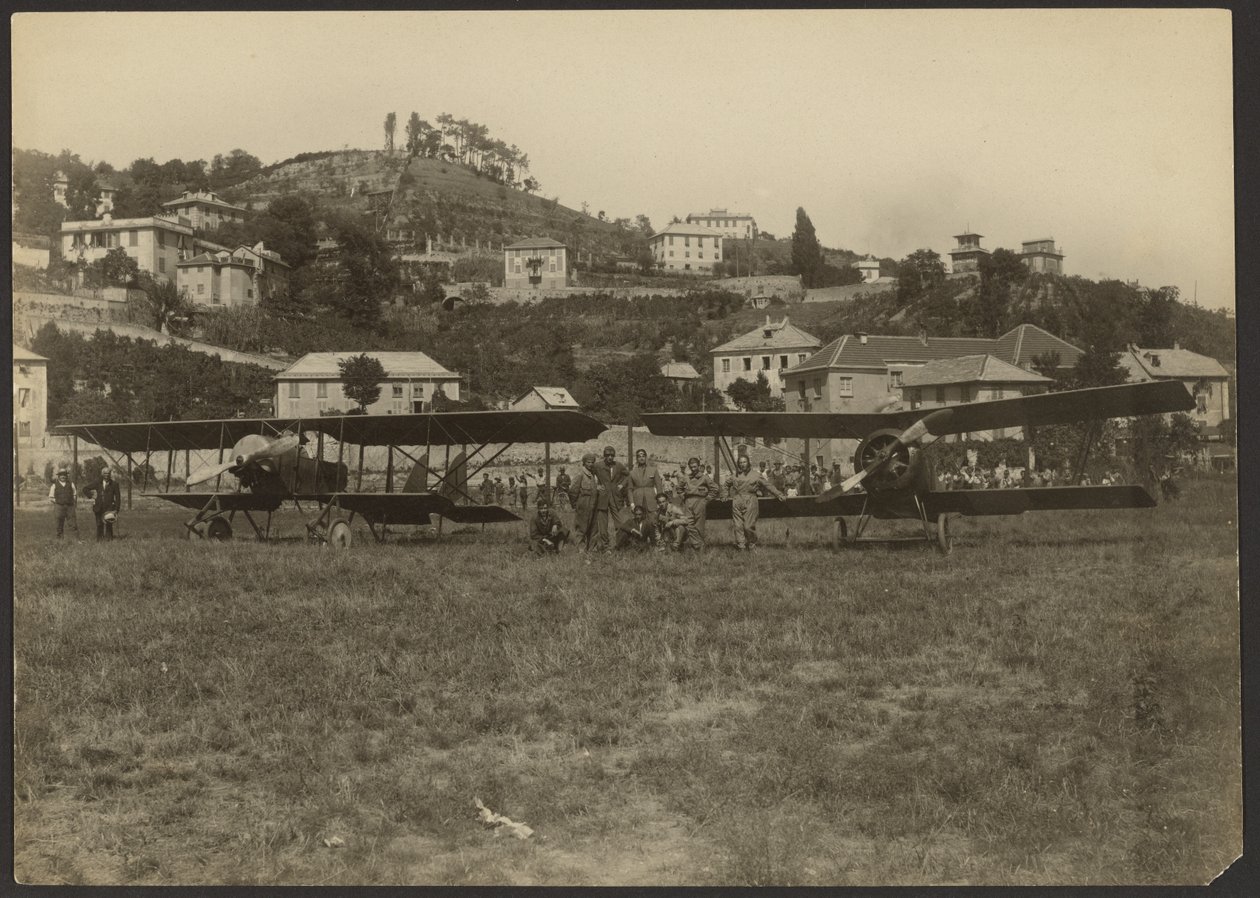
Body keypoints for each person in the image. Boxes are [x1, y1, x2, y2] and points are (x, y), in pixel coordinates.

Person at [726, 454, 786, 550]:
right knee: (738, 526)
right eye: (740, 463)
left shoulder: (756, 475)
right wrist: (724, 494)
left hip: (750, 500)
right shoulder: (735, 475)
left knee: (748, 526)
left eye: (744, 462)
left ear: (748, 463)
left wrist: (778, 494)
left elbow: (768, 485)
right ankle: (741, 547)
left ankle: (751, 545)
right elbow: (726, 484)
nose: (742, 464)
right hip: (737, 500)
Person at [593, 445, 630, 551]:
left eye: (612, 455)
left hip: (615, 497)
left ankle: (620, 544)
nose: (610, 457)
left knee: (620, 522)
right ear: (604, 455)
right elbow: (589, 474)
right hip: (602, 497)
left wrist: (622, 485)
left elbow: (628, 475)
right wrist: (596, 486)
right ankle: (605, 546)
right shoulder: (598, 465)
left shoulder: (618, 465)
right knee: (603, 525)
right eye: (608, 455)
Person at [681, 456, 719, 550]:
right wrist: (683, 496)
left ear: (698, 466)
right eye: (691, 467)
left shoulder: (704, 477)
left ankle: (698, 548)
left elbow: (715, 488)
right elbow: (679, 488)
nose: (693, 469)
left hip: (700, 501)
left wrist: (707, 499)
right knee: (687, 524)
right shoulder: (686, 477)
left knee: (699, 525)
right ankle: (698, 544)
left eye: (695, 467)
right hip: (688, 501)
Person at [568, 452, 603, 552]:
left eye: (592, 462)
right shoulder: (580, 474)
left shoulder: (594, 475)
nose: (591, 464)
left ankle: (592, 549)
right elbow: (572, 491)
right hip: (583, 505)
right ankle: (581, 550)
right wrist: (576, 505)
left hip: (594, 506)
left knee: (594, 528)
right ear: (584, 463)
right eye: (588, 462)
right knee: (581, 528)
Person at [82, 467, 121, 541]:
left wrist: (116, 509)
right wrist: (91, 495)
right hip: (98, 507)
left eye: (108, 473)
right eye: (105, 473)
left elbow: (118, 498)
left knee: (109, 524)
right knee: (99, 524)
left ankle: (109, 540)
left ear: (110, 474)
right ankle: (100, 540)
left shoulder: (115, 484)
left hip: (109, 508)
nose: (107, 475)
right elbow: (85, 489)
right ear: (102, 474)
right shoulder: (97, 482)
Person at [628, 448, 664, 525]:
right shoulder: (632, 473)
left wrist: (660, 501)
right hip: (638, 500)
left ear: (646, 457)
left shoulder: (653, 470)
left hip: (651, 500)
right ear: (637, 458)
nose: (641, 458)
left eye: (643, 456)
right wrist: (631, 503)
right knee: (639, 522)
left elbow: (659, 486)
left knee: (653, 521)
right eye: (639, 456)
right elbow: (630, 489)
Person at [48, 468, 79, 539]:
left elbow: (74, 494)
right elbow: (51, 497)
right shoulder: (54, 485)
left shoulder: (71, 484)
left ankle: (75, 540)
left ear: (66, 476)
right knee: (59, 524)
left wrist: (71, 501)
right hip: (59, 507)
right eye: (61, 475)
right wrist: (59, 502)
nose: (63, 476)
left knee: (73, 524)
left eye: (64, 475)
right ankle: (60, 540)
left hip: (70, 507)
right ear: (58, 476)